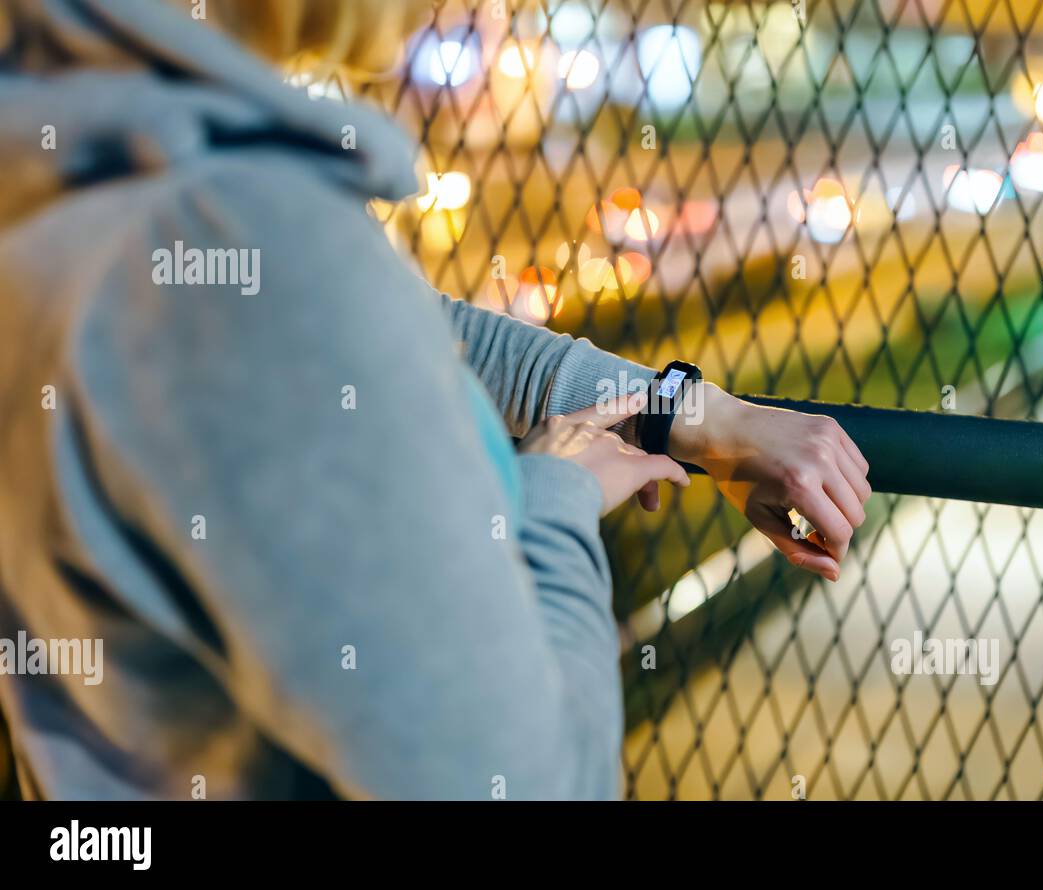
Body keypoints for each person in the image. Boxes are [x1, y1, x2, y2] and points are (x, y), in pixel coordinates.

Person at [0, 0, 869, 799]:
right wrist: (555, 503)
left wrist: (691, 416)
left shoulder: (76, 170)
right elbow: (532, 787)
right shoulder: (232, 235)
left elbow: (413, 328)